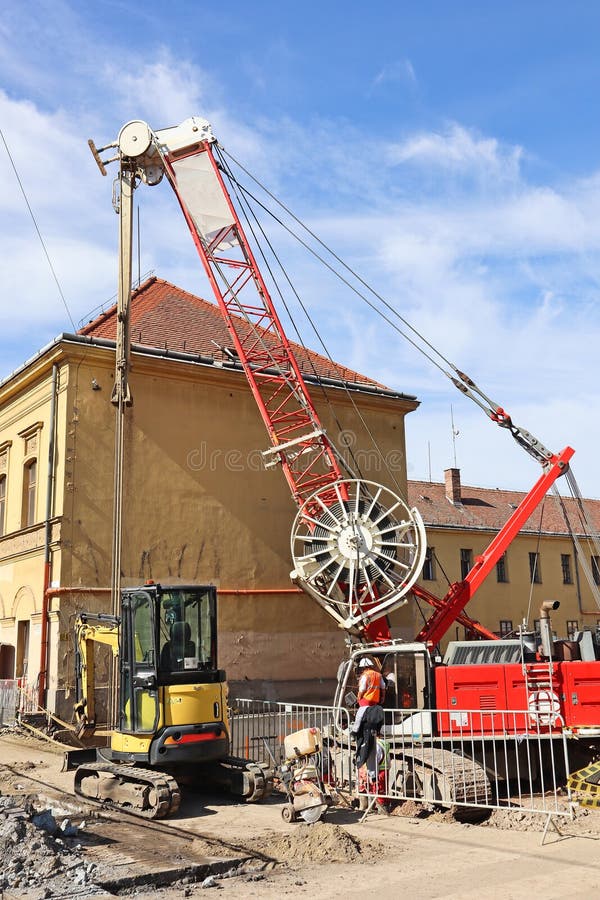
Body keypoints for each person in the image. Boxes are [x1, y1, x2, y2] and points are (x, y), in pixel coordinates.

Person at [351, 657, 386, 734]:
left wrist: (359, 698)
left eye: (362, 668)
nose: (362, 670)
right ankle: (375, 731)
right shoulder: (378, 675)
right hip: (375, 700)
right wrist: (383, 697)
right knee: (373, 717)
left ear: (364, 667)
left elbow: (362, 689)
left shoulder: (365, 675)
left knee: (359, 715)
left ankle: (355, 731)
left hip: (366, 699)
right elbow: (383, 687)